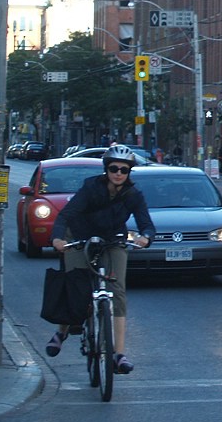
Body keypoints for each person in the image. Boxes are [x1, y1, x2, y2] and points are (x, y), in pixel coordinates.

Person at [45, 144, 155, 374]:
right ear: (106, 170)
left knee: (118, 292)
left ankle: (119, 355)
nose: (118, 174)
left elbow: (146, 223)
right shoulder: (90, 188)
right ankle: (61, 331)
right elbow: (65, 216)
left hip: (112, 239)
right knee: (75, 283)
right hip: (79, 236)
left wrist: (146, 237)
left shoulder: (133, 195)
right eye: (114, 168)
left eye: (124, 170)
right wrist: (57, 239)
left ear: (129, 173)